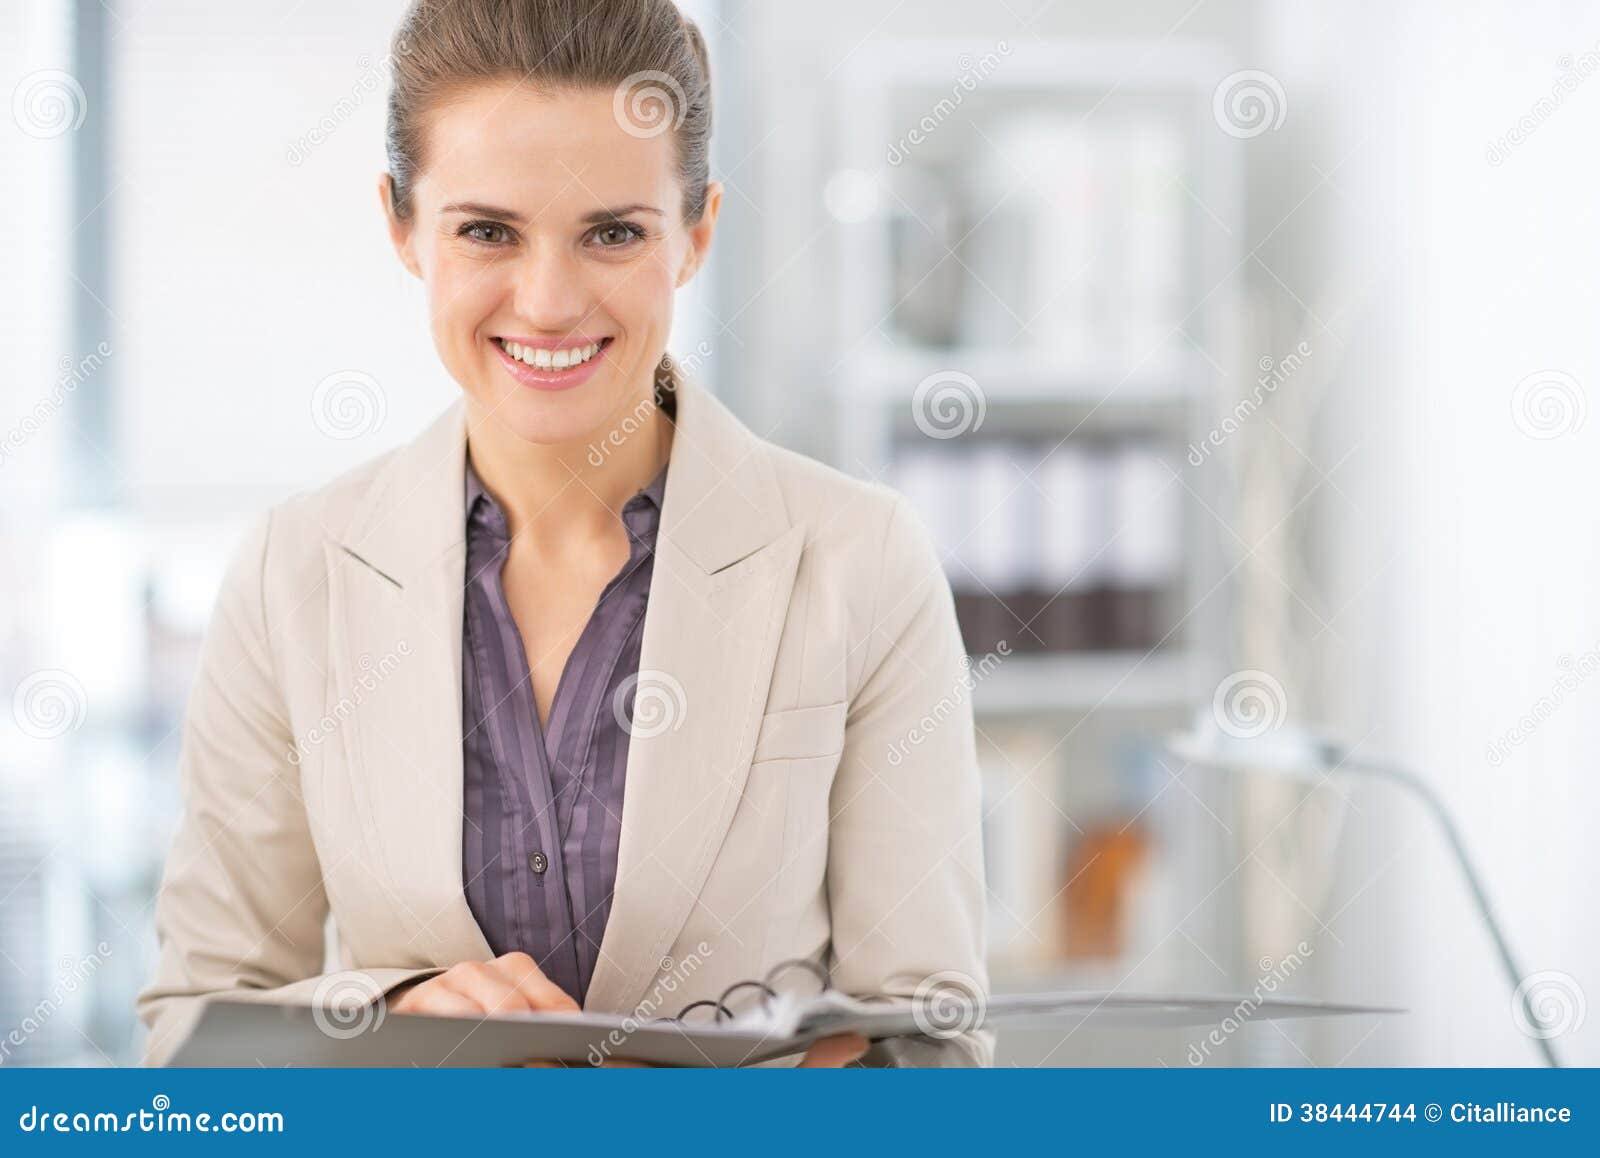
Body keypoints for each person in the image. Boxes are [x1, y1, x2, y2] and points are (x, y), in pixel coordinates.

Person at [137, 0, 990, 1068]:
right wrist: (392, 1019)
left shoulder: (858, 560)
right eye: (487, 231)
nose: (546, 301)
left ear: (697, 234)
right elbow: (199, 1026)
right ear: (403, 227)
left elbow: (931, 1038)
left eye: (613, 232)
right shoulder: (292, 574)